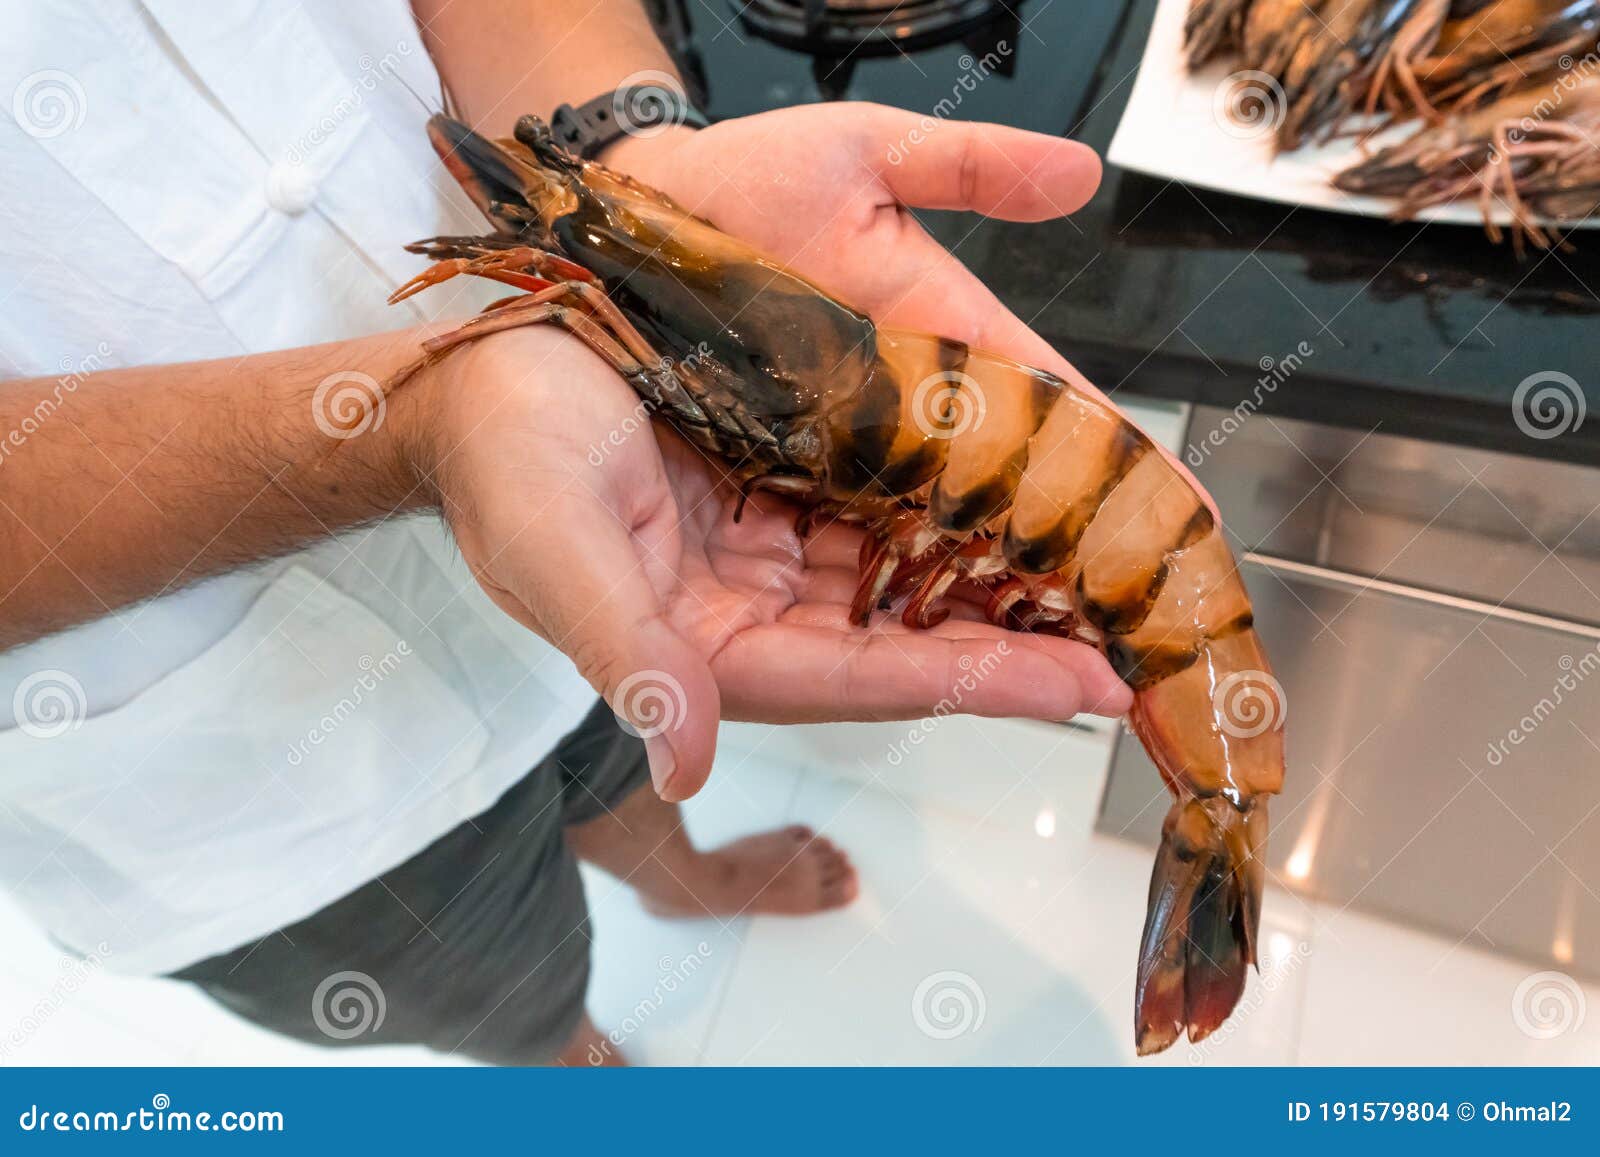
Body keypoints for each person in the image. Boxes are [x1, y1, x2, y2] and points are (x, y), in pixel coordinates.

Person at [0, 0, 1124, 1065]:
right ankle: (571, 1055)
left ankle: (671, 872)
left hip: (600, 486)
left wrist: (625, 157)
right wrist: (422, 416)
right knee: (498, 990)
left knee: (617, 746)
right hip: (229, 786)